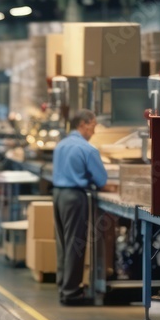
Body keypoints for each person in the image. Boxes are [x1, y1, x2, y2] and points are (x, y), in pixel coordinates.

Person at [51, 109, 108, 305]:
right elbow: (101, 180)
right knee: (75, 244)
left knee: (64, 243)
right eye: (93, 125)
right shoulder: (87, 149)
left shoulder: (61, 145)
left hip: (58, 195)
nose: (94, 130)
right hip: (74, 197)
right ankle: (72, 293)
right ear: (83, 124)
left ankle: (63, 287)